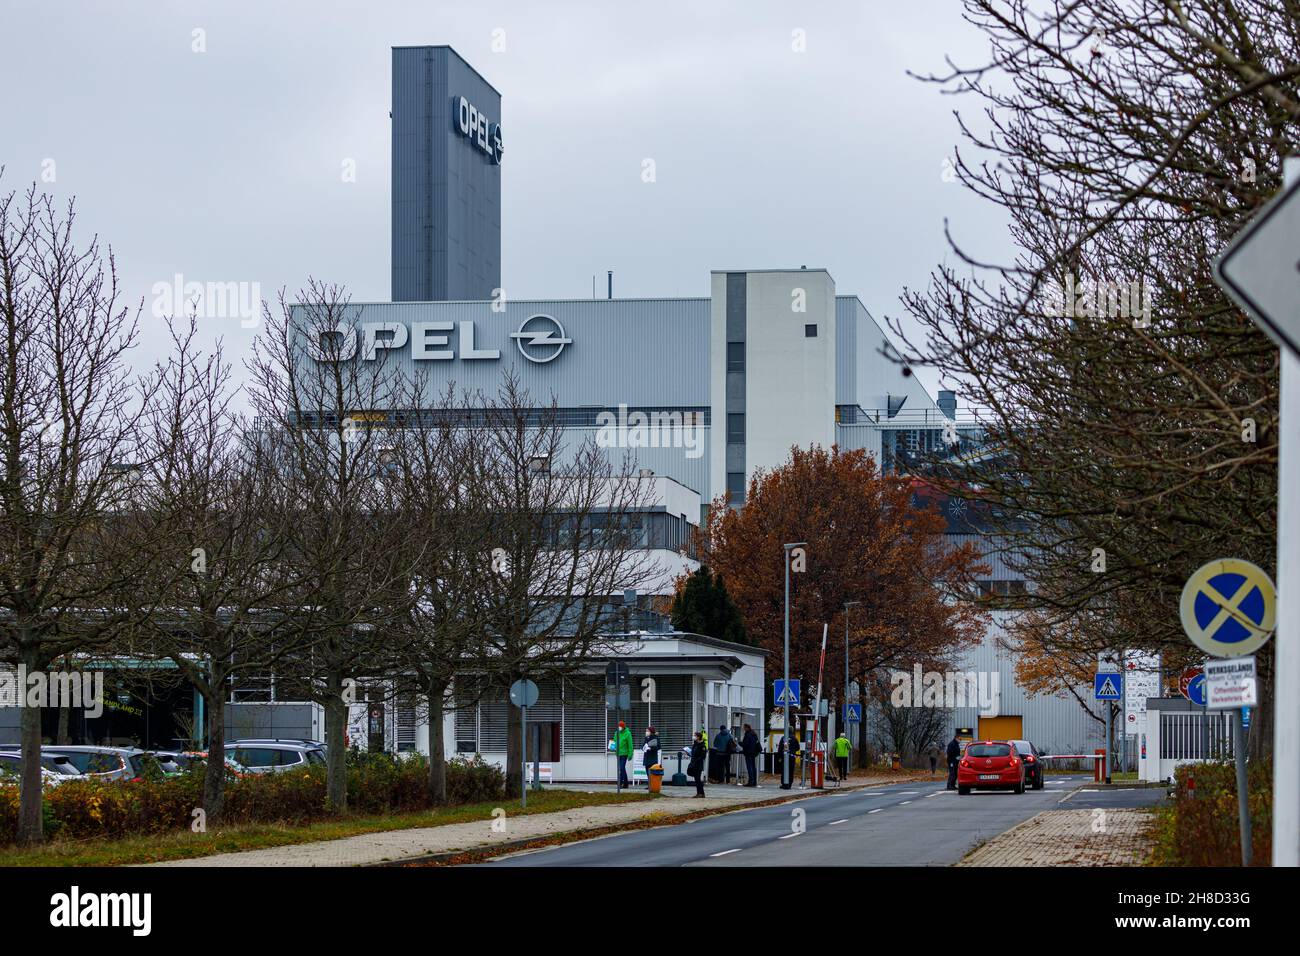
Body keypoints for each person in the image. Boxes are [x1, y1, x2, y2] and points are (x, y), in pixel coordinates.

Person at [615, 720, 634, 788]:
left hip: (624, 754)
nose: (619, 727)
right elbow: (615, 742)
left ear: (623, 727)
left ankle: (620, 784)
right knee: (622, 768)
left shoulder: (628, 733)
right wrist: (612, 746)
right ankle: (626, 784)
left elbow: (630, 745)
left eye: (620, 726)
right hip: (618, 753)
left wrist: (630, 754)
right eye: (618, 726)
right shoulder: (616, 733)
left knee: (621, 768)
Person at [687, 731, 707, 797]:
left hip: (698, 764)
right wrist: (689, 753)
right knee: (696, 779)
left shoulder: (702, 746)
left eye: (695, 736)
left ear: (698, 737)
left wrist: (696, 760)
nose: (694, 737)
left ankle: (701, 793)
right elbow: (693, 753)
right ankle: (700, 793)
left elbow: (703, 756)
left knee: (698, 779)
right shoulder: (695, 744)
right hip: (693, 763)